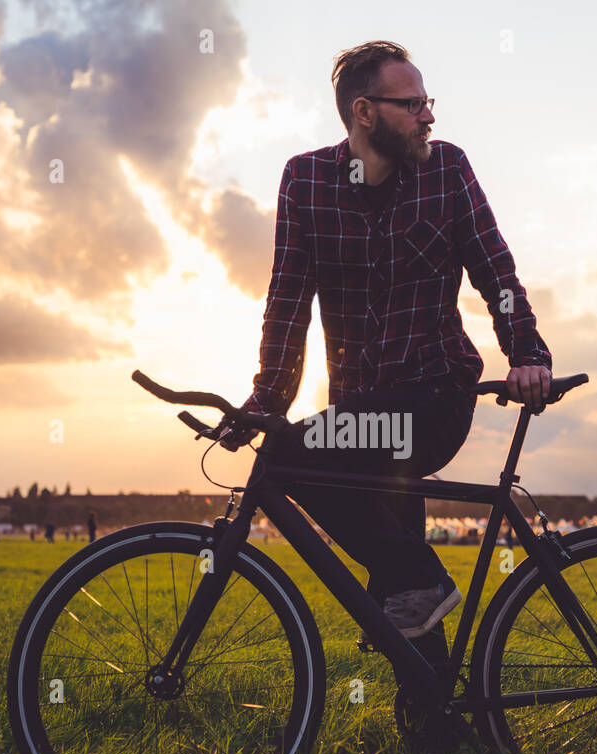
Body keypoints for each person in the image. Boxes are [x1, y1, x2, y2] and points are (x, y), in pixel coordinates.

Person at [217, 40, 552, 668]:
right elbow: (287, 303)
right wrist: (265, 400)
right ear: (364, 112)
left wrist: (528, 352)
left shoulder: (446, 169)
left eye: (429, 103)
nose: (429, 116)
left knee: (295, 460)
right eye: (414, 104)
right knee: (401, 590)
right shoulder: (307, 180)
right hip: (363, 412)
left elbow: (495, 272)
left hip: (433, 396)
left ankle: (421, 581)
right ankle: (435, 733)